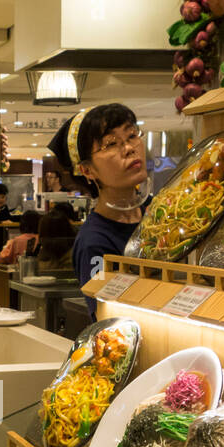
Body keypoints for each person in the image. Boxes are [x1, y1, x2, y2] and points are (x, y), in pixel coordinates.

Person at [48, 103, 148, 316]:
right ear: (87, 170)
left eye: (131, 135)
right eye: (111, 143)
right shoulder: (95, 242)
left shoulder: (162, 212)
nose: (129, 148)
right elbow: (109, 319)